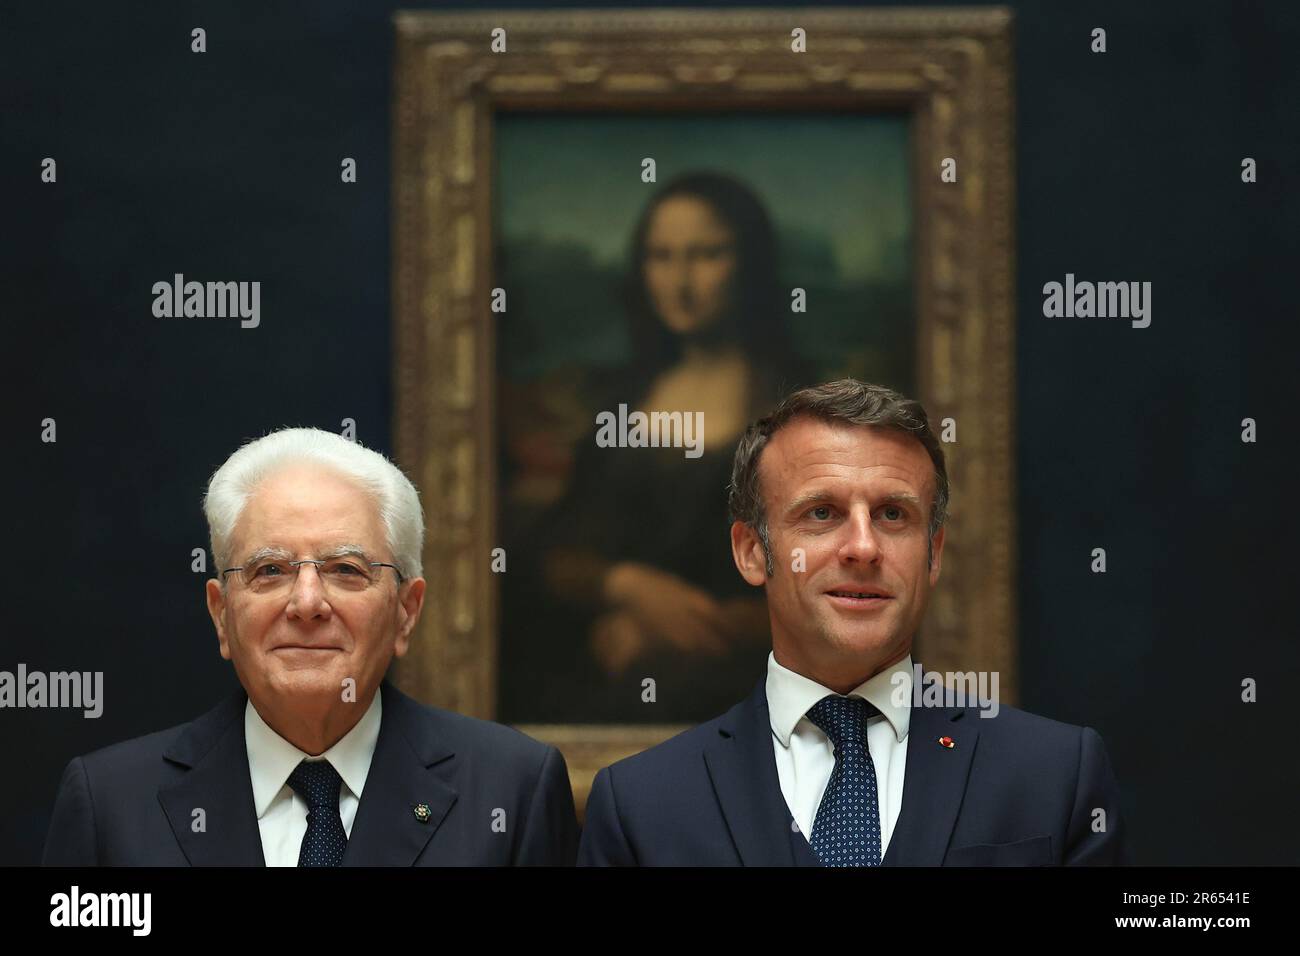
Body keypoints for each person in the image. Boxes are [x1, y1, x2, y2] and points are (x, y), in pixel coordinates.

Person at [578, 380, 1130, 865]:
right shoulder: (641, 807)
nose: (863, 546)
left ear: (933, 554)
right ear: (751, 552)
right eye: (821, 513)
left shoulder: (1056, 777)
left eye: (893, 515)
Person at [42, 428, 578, 866]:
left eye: (346, 570)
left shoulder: (513, 792)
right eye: (269, 570)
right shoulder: (110, 805)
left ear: (405, 612)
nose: (306, 602)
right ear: (222, 614)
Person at [500, 171, 809, 724]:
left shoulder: (798, 404)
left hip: (750, 683)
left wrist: (684, 627)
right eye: (661, 257)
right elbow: (550, 555)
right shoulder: (620, 398)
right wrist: (626, 587)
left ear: (751, 264)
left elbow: (827, 582)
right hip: (602, 671)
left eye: (707, 254)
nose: (680, 280)